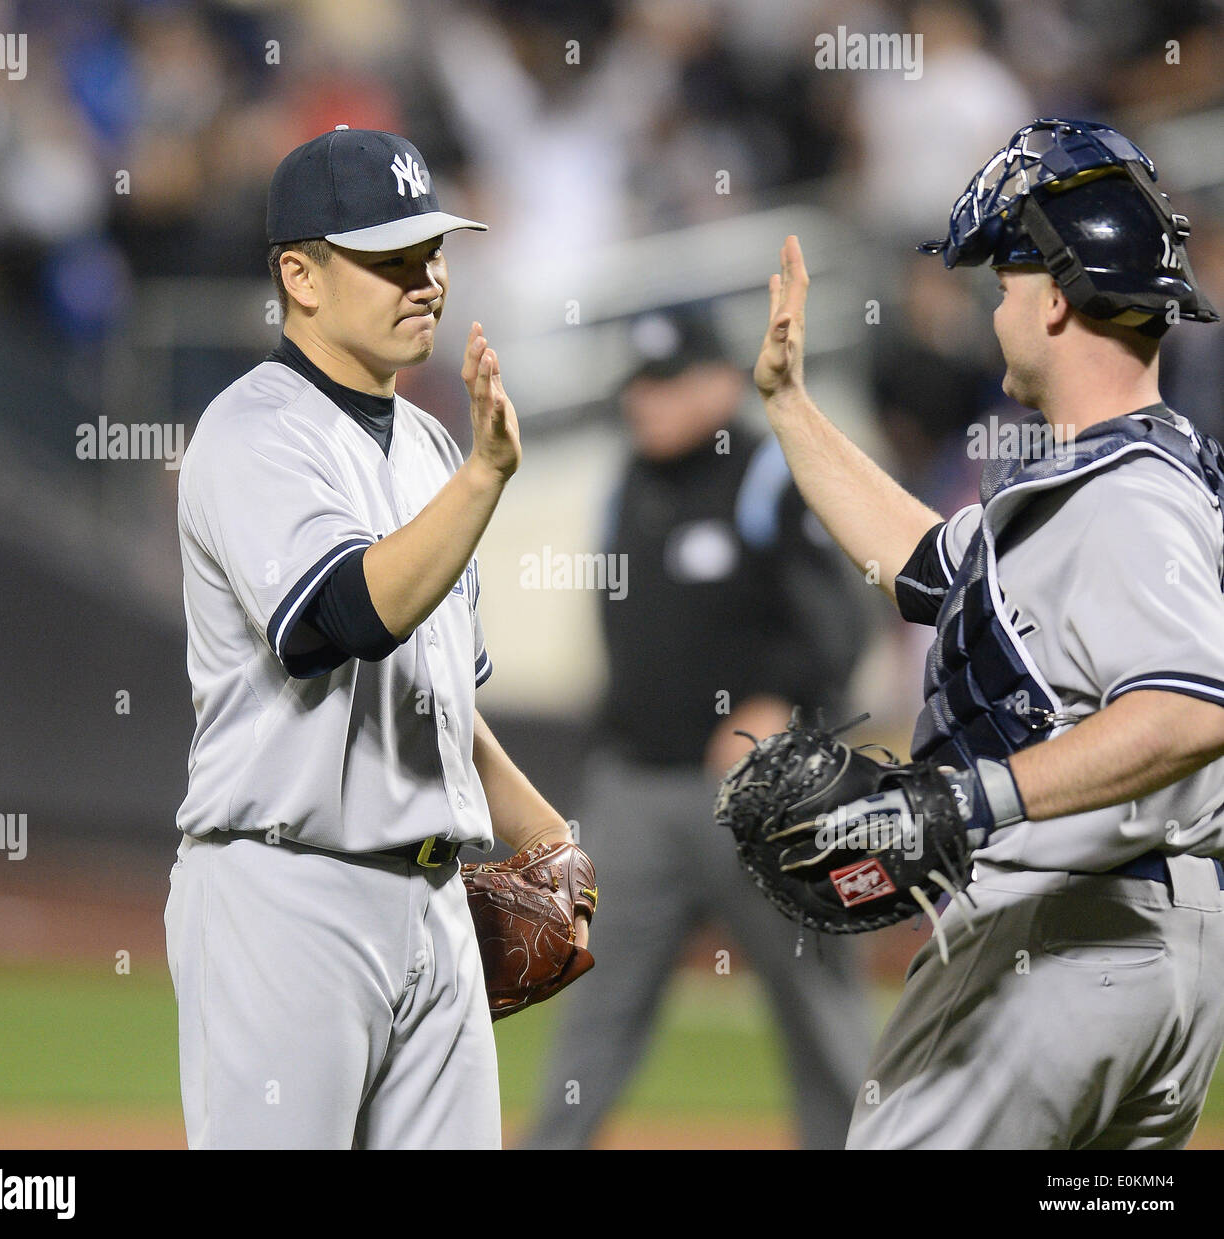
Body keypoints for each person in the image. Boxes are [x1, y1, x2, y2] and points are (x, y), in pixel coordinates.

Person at [752, 117, 1224, 1149]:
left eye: (1006, 282)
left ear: (1055, 300)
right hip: (1157, 951)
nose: (993, 305)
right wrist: (790, 409)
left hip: (1059, 932)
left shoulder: (1123, 499)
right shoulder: (1143, 476)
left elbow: (1187, 708)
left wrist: (970, 796)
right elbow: (924, 567)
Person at [164, 126, 587, 1150]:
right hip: (285, 897)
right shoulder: (254, 429)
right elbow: (338, 620)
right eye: (389, 259)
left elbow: (443, 697)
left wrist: (543, 831)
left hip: (436, 903)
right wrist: (485, 481)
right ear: (298, 275)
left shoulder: (437, 444)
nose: (426, 279)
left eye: (431, 252)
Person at [524, 306, 874, 1149]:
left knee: (819, 1006)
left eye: (666, 381)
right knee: (595, 1007)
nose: (645, 401)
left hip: (758, 797)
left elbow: (845, 621)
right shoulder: (629, 484)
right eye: (638, 385)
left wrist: (779, 700)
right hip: (637, 789)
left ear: (721, 383)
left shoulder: (770, 476)